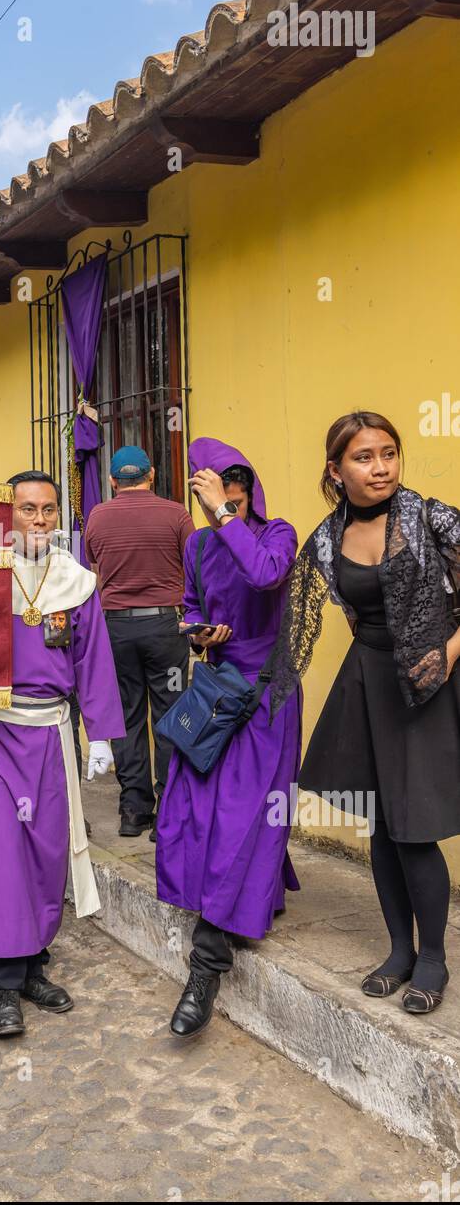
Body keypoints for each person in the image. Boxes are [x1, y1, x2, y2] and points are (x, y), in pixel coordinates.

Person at [270, 411, 460, 1016]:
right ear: (336, 469)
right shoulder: (326, 538)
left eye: (388, 453)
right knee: (378, 824)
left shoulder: (432, 519)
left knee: (414, 827)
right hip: (368, 677)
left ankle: (434, 958)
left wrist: (445, 655)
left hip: (427, 683)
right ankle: (399, 951)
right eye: (363, 457)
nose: (379, 467)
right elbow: (345, 611)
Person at [0, 470, 125, 1038]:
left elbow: (94, 660)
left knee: (43, 851)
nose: (38, 519)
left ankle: (33, 966)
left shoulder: (76, 582)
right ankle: (3, 985)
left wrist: (99, 734)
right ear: (6, 516)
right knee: (0, 854)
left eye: (48, 510)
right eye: (27, 509)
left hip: (51, 732)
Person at [154, 439, 301, 1038]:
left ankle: (205, 967)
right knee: (193, 809)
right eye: (216, 492)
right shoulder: (196, 543)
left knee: (244, 817)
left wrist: (223, 516)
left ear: (249, 487)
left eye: (236, 490)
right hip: (215, 690)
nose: (228, 501)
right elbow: (190, 605)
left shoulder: (278, 534)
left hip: (265, 695)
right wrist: (197, 633)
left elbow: (266, 577)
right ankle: (257, 890)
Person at [84, 445, 195, 839]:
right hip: (166, 626)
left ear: (113, 481)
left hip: (115, 629)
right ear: (152, 475)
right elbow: (195, 566)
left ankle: (134, 810)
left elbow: (95, 570)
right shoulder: (176, 514)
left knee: (126, 716)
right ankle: (169, 807)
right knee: (170, 714)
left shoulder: (97, 516)